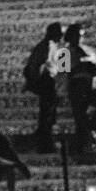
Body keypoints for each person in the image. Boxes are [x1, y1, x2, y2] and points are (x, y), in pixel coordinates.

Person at [64, 22, 96, 155]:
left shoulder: (89, 50)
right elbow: (62, 73)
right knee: (81, 118)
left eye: (81, 35)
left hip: (89, 84)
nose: (79, 38)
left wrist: (94, 71)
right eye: (76, 35)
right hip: (76, 86)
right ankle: (83, 148)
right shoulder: (64, 52)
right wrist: (79, 68)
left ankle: (93, 128)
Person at [24, 22, 64, 151]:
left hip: (46, 80)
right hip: (46, 80)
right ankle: (45, 136)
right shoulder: (47, 46)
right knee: (48, 108)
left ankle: (45, 133)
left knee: (48, 108)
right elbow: (41, 65)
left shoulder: (48, 45)